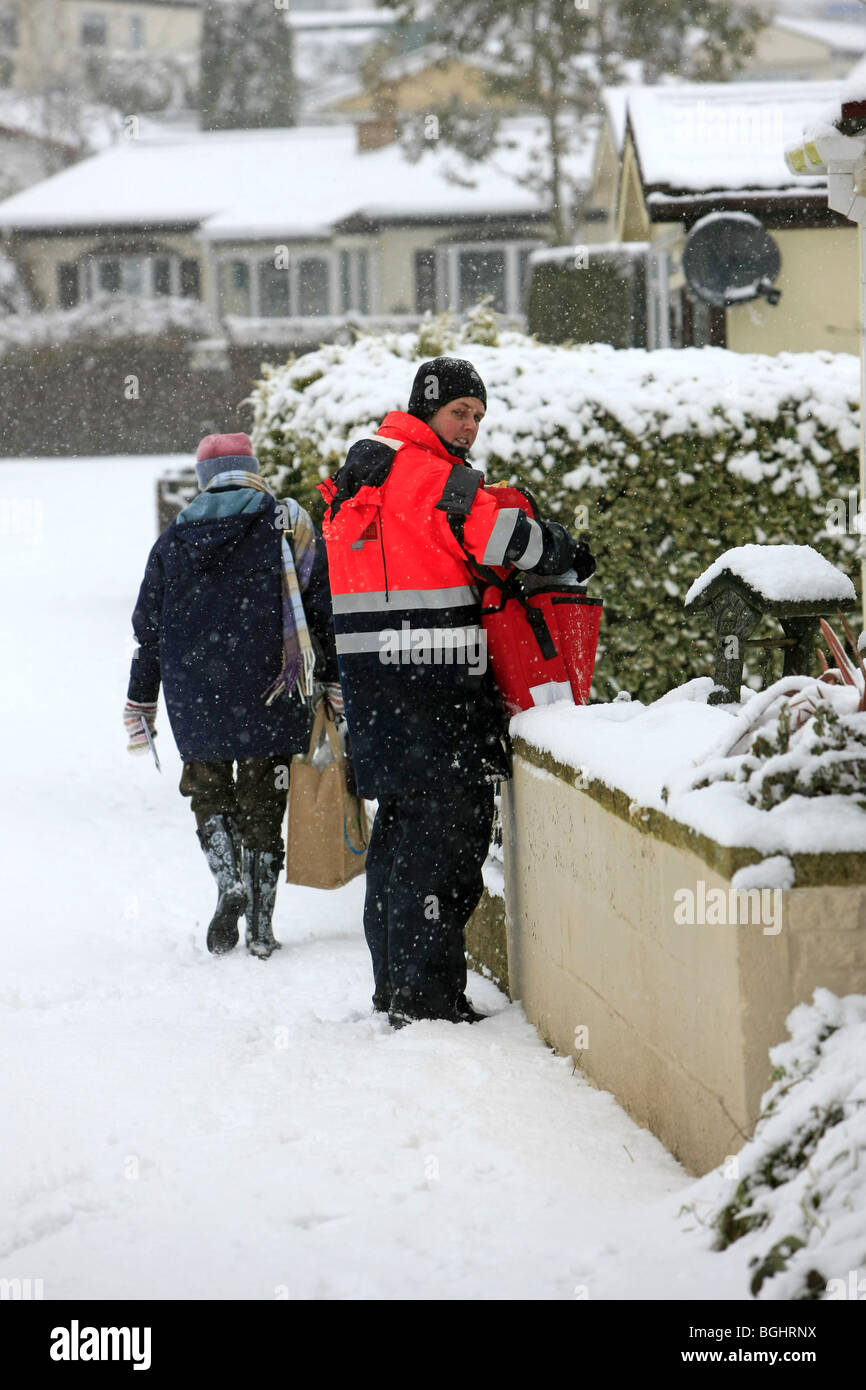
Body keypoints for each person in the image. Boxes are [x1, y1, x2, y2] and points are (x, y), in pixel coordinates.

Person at [319, 357, 595, 1027]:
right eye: (458, 413)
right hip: (438, 685)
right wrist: (569, 549)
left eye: (477, 415)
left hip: (375, 684)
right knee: (448, 845)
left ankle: (393, 985)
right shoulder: (439, 479)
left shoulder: (357, 477)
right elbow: (513, 543)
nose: (469, 426)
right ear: (424, 411)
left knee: (399, 841)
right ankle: (427, 1000)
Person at [124, 432, 339, 959]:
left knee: (208, 786)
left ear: (202, 480)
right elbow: (321, 609)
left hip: (195, 685)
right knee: (266, 796)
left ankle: (228, 883)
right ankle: (262, 927)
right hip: (273, 681)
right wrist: (331, 679)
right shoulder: (288, 525)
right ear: (253, 469)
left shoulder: (174, 539)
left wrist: (141, 699)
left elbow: (148, 630)